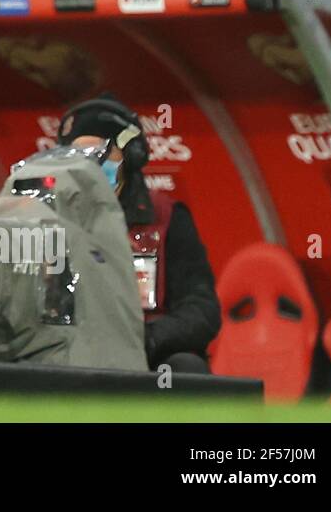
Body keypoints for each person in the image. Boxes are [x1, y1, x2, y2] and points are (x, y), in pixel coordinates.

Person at [56, 94, 221, 374]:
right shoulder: (48, 216)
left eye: (100, 152)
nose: (88, 164)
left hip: (147, 355)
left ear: (131, 155)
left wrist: (148, 338)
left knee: (186, 367)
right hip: (68, 354)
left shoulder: (166, 217)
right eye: (77, 155)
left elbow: (202, 310)